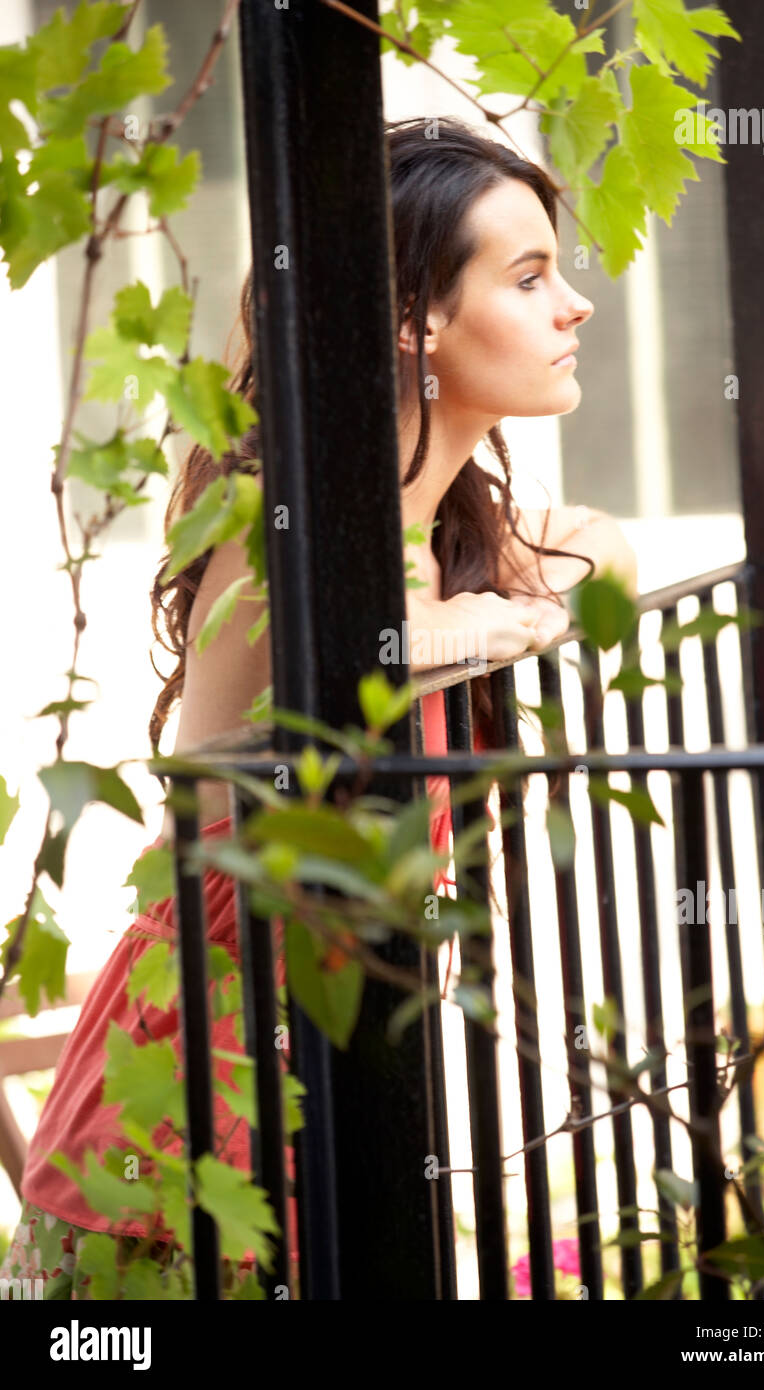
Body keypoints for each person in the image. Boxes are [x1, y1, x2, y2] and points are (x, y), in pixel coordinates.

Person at [0, 115, 637, 1299]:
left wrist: (492, 615)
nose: (575, 307)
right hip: (198, 1085)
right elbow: (305, 692)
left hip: (323, 1069)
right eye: (529, 276)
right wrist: (469, 627)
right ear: (412, 320)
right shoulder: (271, 521)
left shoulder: (442, 533)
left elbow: (602, 548)